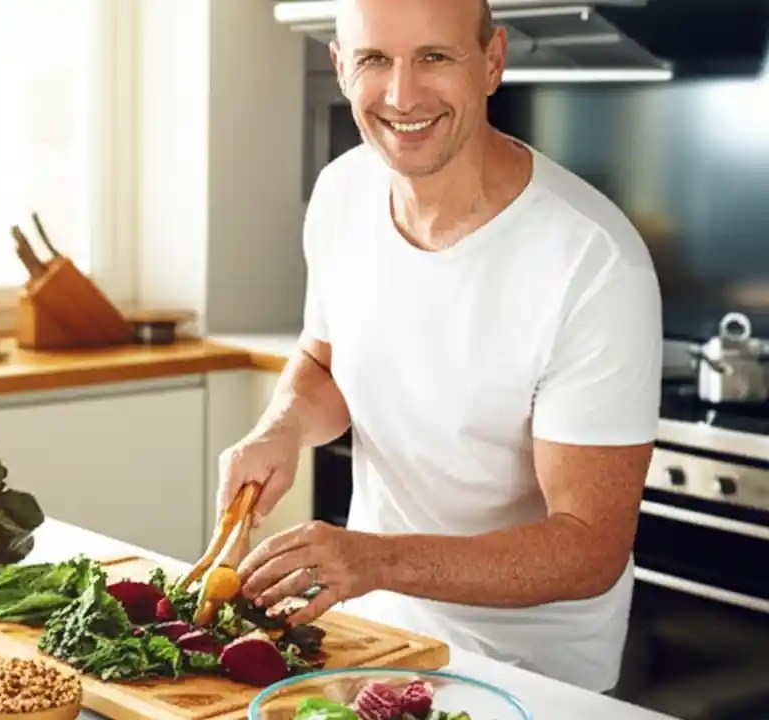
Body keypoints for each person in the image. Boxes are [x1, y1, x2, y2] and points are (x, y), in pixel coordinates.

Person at [222, 0, 662, 693]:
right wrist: (279, 430)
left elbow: (588, 546)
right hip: (373, 638)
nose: (402, 96)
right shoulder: (341, 193)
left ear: (492, 62)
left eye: (434, 57)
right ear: (340, 68)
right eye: (374, 60)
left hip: (533, 675)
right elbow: (326, 363)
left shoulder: (593, 262)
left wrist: (373, 561)